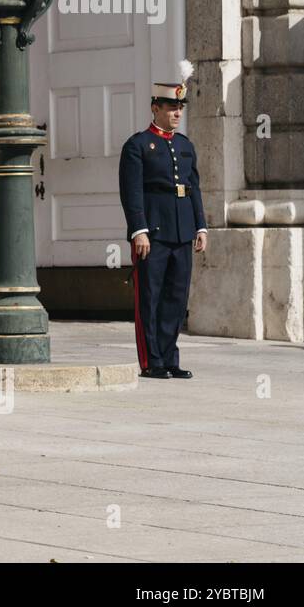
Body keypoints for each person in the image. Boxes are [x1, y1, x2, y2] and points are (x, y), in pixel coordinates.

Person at [118, 63, 207, 379]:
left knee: (175, 299)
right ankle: (151, 361)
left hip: (182, 232)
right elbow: (131, 193)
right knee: (151, 298)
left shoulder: (184, 145)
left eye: (179, 107)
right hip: (153, 234)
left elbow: (193, 187)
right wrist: (138, 230)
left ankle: (170, 358)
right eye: (170, 107)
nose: (176, 113)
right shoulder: (138, 145)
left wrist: (201, 225)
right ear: (155, 107)